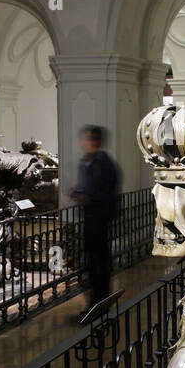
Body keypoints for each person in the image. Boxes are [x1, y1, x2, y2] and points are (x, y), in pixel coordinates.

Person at [70, 124, 120, 318]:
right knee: (91, 263)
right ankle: (95, 303)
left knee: (98, 263)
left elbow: (109, 192)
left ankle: (99, 304)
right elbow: (87, 187)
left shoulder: (104, 163)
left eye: (89, 139)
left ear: (97, 141)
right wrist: (78, 193)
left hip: (100, 219)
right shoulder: (86, 162)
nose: (85, 143)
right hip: (90, 218)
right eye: (84, 139)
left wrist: (89, 198)